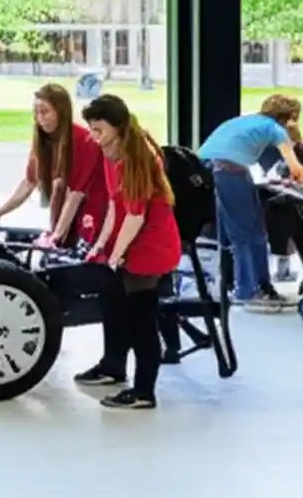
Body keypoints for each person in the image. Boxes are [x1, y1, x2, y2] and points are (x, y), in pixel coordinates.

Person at [76, 95, 181, 410]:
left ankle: (144, 391)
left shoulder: (139, 156)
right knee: (116, 304)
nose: (95, 138)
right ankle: (114, 367)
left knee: (142, 320)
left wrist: (115, 255)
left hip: (150, 246)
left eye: (99, 130)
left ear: (118, 126)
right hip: (131, 242)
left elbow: (136, 215)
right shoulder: (111, 153)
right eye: (92, 130)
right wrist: (102, 245)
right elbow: (113, 205)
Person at [198, 94, 303, 309]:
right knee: (250, 234)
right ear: (290, 117)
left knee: (233, 233)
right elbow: (296, 167)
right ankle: (249, 290)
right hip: (229, 171)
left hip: (207, 169)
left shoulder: (245, 120)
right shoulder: (276, 129)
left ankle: (244, 285)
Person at [0, 83, 108, 247]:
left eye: (45, 112)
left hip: (92, 210)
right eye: (36, 112)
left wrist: (55, 237)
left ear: (61, 112)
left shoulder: (83, 140)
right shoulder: (43, 141)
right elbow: (29, 182)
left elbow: (76, 194)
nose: (39, 118)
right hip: (66, 209)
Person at [262, 123, 303, 281]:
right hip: (298, 200)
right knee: (275, 210)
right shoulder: (283, 155)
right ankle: (284, 260)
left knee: (292, 218)